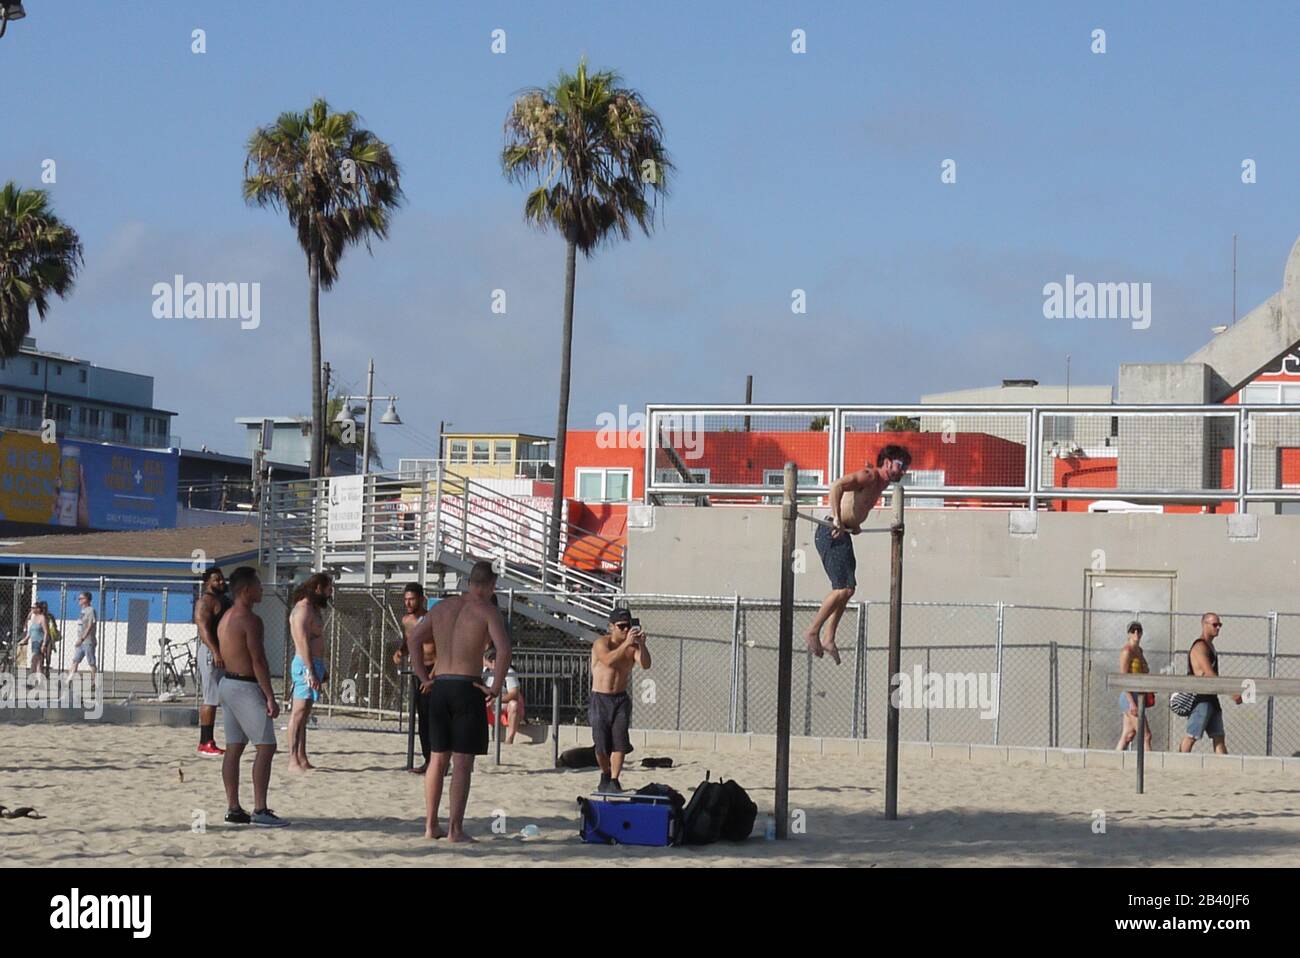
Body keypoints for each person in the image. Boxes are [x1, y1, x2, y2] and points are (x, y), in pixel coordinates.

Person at [408, 560, 511, 843]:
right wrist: (495, 686)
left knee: (437, 760)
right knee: (463, 763)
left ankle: (430, 826)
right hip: (467, 686)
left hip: (439, 686)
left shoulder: (441, 607)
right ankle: (455, 829)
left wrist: (423, 678)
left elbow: (414, 638)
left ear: (469, 583)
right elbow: (503, 651)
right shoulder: (488, 610)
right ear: (491, 586)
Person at [804, 445, 911, 665]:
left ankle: (829, 637)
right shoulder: (870, 475)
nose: (903, 472)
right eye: (900, 466)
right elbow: (837, 486)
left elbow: (854, 505)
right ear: (887, 462)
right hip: (830, 530)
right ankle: (813, 631)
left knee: (849, 588)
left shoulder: (880, 486)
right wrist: (836, 518)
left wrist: (854, 524)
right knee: (842, 588)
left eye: (906, 468)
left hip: (843, 532)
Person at [216, 567, 287, 826]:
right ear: (246, 590)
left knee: (234, 748)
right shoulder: (250, 619)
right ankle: (260, 809)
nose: (262, 588)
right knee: (266, 747)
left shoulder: (226, 617)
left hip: (227, 683)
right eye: (258, 585)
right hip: (245, 687)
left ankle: (233, 807)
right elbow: (258, 660)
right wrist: (270, 696)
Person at [589, 608, 651, 795]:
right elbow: (608, 660)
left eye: (628, 626)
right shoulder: (601, 643)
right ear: (611, 627)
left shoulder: (632, 648)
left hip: (620, 699)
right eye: (621, 626)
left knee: (619, 743)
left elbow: (646, 664)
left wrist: (642, 645)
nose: (626, 630)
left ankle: (615, 779)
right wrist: (626, 645)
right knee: (600, 747)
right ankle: (605, 773)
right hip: (600, 698)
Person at [287, 572, 333, 772]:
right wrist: (311, 671)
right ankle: (292, 759)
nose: (330, 593)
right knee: (298, 713)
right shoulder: (302, 610)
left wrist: (320, 668)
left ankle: (302, 757)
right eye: (328, 589)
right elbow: (303, 642)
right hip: (306, 665)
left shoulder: (314, 609)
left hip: (315, 663)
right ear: (318, 588)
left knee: (305, 714)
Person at [1179, 612, 1242, 755]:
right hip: (1201, 699)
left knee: (1219, 737)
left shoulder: (1210, 646)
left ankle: (1223, 768)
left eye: (1220, 625)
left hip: (1212, 699)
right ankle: (1180, 762)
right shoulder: (1199, 647)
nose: (1218, 627)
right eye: (1215, 624)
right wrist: (1231, 692)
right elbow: (1209, 674)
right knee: (1191, 736)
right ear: (1204, 624)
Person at [392, 582, 433, 772]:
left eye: (412, 599)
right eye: (406, 600)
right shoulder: (406, 620)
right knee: (423, 718)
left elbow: (442, 649)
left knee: (436, 717)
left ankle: (441, 760)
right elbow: (408, 642)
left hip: (434, 670)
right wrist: (400, 652)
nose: (408, 603)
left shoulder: (431, 619)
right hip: (419, 670)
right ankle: (428, 759)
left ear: (421, 599)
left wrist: (431, 676)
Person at [194, 567, 232, 756]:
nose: (221, 582)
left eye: (222, 579)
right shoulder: (205, 602)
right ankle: (205, 741)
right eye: (216, 580)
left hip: (224, 653)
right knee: (211, 698)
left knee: (223, 697)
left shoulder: (223, 600)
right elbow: (204, 631)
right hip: (212, 653)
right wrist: (216, 652)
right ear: (207, 583)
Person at [1114, 621, 1153, 751]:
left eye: (1139, 630)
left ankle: (1115, 760)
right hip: (1129, 696)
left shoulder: (1139, 650)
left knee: (1128, 735)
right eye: (1133, 630)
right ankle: (1148, 765)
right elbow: (1123, 678)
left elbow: (1145, 670)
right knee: (1146, 735)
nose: (1136, 633)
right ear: (1128, 634)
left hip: (1138, 694)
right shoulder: (1127, 651)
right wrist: (1131, 702)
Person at [482, 647, 525, 745]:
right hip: (488, 704)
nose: (484, 663)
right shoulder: (485, 672)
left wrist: (497, 699)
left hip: (503, 704)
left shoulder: (509, 672)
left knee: (514, 705)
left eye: (485, 661)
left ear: (493, 662)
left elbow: (514, 694)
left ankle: (510, 738)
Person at [68, 592, 98, 692]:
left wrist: (82, 638)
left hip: (88, 641)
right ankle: (69, 680)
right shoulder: (83, 611)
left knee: (91, 662)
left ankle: (95, 682)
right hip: (80, 641)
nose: (79, 600)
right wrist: (79, 639)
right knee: (75, 660)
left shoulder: (91, 610)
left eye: (81, 598)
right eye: (79, 598)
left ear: (87, 599)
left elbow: (90, 626)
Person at [24, 601, 53, 677]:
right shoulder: (34, 618)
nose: (32, 609)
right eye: (31, 608)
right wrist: (26, 639)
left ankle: (31, 680)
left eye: (33, 608)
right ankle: (40, 681)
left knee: (34, 660)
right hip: (34, 642)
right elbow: (31, 630)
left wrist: (43, 644)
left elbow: (46, 632)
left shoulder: (43, 617)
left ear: (38, 609)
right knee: (39, 662)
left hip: (39, 642)